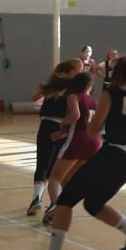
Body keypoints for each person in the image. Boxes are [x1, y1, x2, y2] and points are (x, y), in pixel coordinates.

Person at [25, 55, 126, 250]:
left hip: (112, 154)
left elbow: (93, 129)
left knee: (65, 200)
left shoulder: (110, 93)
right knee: (93, 204)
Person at [43, 72, 100, 226]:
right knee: (68, 180)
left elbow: (75, 116)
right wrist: (63, 133)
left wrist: (63, 122)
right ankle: (64, 207)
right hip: (94, 142)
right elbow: (89, 122)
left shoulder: (73, 97)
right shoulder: (95, 102)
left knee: (54, 179)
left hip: (78, 141)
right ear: (90, 86)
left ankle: (57, 207)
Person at [27, 59, 82, 215]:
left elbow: (34, 99)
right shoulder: (72, 89)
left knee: (42, 163)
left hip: (45, 126)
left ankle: (36, 198)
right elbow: (75, 114)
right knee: (55, 169)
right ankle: (53, 204)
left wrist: (40, 91)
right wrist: (64, 124)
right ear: (72, 72)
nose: (82, 70)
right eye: (80, 68)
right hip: (61, 127)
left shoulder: (51, 84)